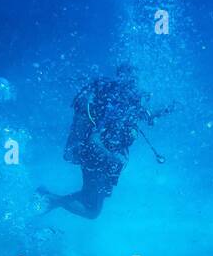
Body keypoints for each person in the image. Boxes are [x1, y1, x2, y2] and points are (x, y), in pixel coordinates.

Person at [40, 63, 169, 219]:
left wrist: (165, 110)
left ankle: (48, 198)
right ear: (127, 80)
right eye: (134, 80)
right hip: (95, 158)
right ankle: (48, 198)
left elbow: (146, 115)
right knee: (92, 210)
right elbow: (94, 139)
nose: (139, 88)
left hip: (100, 160)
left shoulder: (125, 103)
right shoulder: (115, 105)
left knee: (90, 200)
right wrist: (113, 158)